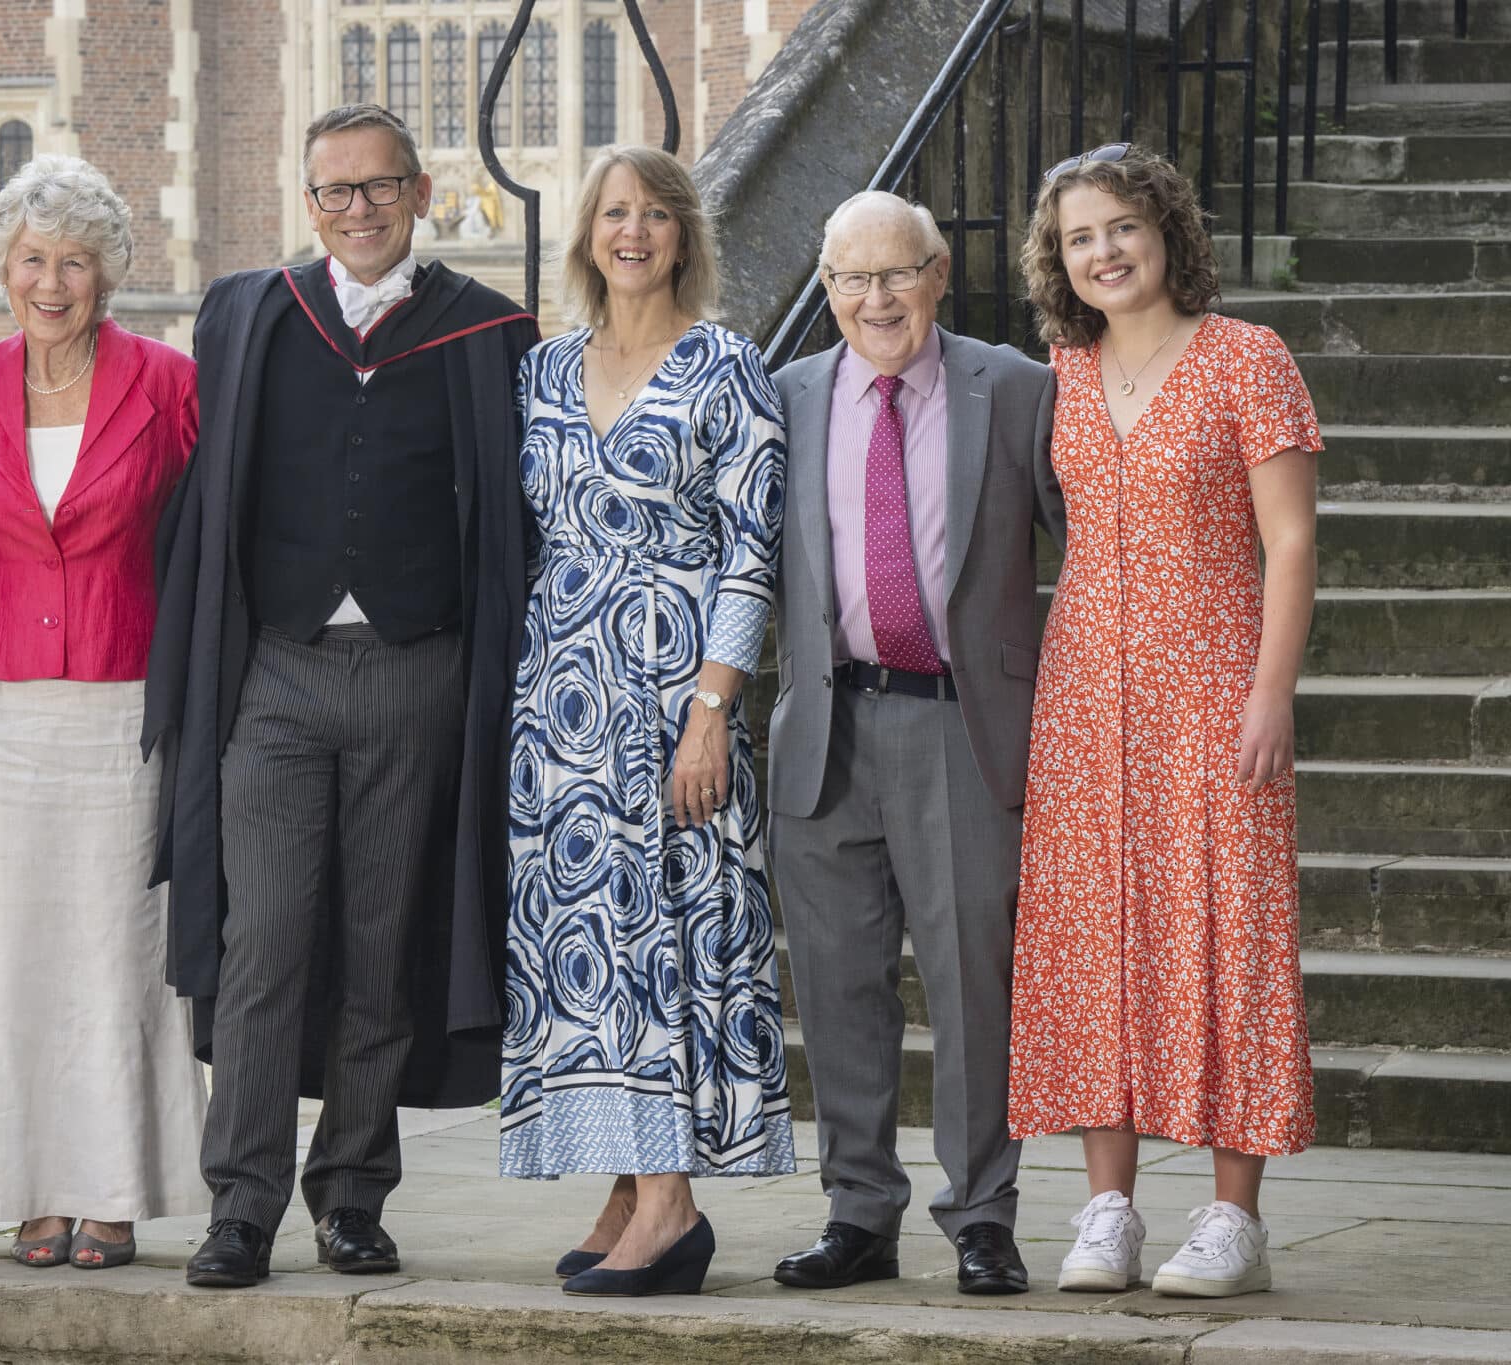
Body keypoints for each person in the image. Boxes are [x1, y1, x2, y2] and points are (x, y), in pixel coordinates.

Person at [142, 103, 539, 1289]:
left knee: (380, 946)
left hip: (417, 673)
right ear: (306, 202)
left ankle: (353, 1195)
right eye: (333, 192)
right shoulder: (252, 313)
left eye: (378, 188)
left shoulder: (487, 334)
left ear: (420, 195)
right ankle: (242, 1205)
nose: (356, 210)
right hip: (279, 675)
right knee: (262, 941)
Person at [1010, 144, 1321, 1299]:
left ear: (1166, 232)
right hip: (1084, 693)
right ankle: (1106, 1211)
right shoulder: (1059, 370)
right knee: (1093, 941)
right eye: (1079, 236)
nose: (1103, 252)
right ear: (1060, 259)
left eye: (1121, 228)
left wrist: (1269, 691)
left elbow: (1287, 539)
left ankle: (1230, 1222)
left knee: (1227, 934)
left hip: (1215, 686)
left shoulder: (1248, 358)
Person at [499, 144, 792, 1300]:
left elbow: (749, 553)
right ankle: (620, 1182)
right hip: (558, 700)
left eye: (654, 214)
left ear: (683, 235)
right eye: (613, 213)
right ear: (587, 234)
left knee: (669, 939)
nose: (632, 232)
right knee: (585, 951)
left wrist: (710, 713)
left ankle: (672, 1201)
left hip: (673, 694)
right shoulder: (543, 368)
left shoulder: (727, 366)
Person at [764, 191, 1062, 1298]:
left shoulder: (1016, 390)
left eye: (896, 275)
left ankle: (981, 1216)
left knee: (970, 983)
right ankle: (857, 1214)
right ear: (827, 286)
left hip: (959, 727)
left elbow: (1085, 549)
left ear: (938, 274)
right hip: (824, 726)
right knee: (837, 984)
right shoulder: (785, 395)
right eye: (850, 279)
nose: (873, 299)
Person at [0, 155, 207, 1270]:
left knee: (118, 952)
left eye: (73, 262)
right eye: (32, 260)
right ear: (1, 267)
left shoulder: (170, 384)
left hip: (124, 703)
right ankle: (22, 1186)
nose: (50, 283)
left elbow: (201, 541)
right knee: (8, 951)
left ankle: (114, 1189)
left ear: (108, 274)